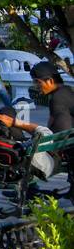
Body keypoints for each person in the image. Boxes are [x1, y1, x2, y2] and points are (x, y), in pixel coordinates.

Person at [31, 62, 74, 196]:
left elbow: (63, 129)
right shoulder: (66, 91)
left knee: (26, 154)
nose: (36, 86)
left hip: (68, 151)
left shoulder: (57, 98)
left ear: (49, 80)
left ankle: (29, 193)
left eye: (38, 82)